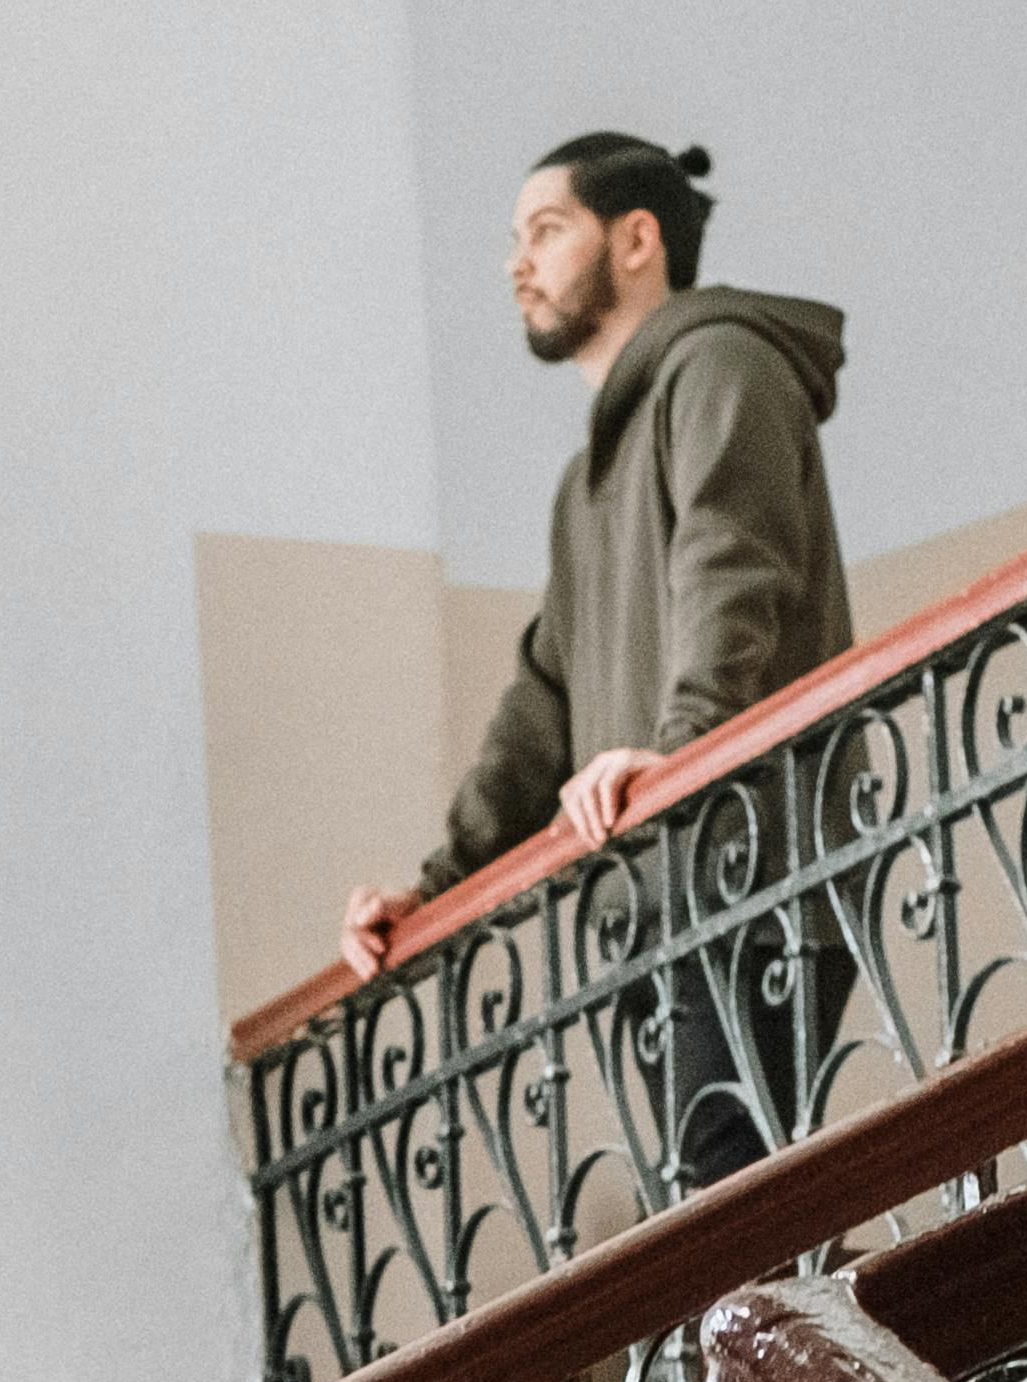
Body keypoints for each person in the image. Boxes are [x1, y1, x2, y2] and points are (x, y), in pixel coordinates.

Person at [338, 132, 855, 1187]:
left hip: (750, 879)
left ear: (636, 239)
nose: (516, 264)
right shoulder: (586, 485)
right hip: (656, 900)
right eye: (514, 242)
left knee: (730, 1226)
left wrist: (676, 752)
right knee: (703, 1226)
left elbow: (734, 566)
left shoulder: (725, 365)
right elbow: (544, 699)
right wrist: (430, 893)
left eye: (546, 231)